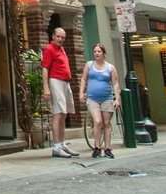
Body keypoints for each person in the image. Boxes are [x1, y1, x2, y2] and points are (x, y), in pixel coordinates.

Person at [79, 43, 121, 158]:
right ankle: (97, 147)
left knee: (106, 123)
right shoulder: (89, 65)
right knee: (97, 122)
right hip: (92, 99)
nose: (97, 54)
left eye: (99, 51)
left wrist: (117, 99)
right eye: (95, 52)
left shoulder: (110, 68)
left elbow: (115, 83)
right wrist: (81, 92)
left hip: (107, 98)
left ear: (103, 53)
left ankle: (107, 148)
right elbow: (83, 79)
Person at [42, 27, 79, 158]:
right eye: (58, 36)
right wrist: (46, 88)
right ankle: (56, 146)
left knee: (64, 113)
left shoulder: (61, 49)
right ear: (53, 36)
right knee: (58, 113)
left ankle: (62, 144)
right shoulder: (49, 49)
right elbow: (45, 69)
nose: (60, 39)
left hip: (65, 81)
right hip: (56, 81)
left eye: (63, 37)